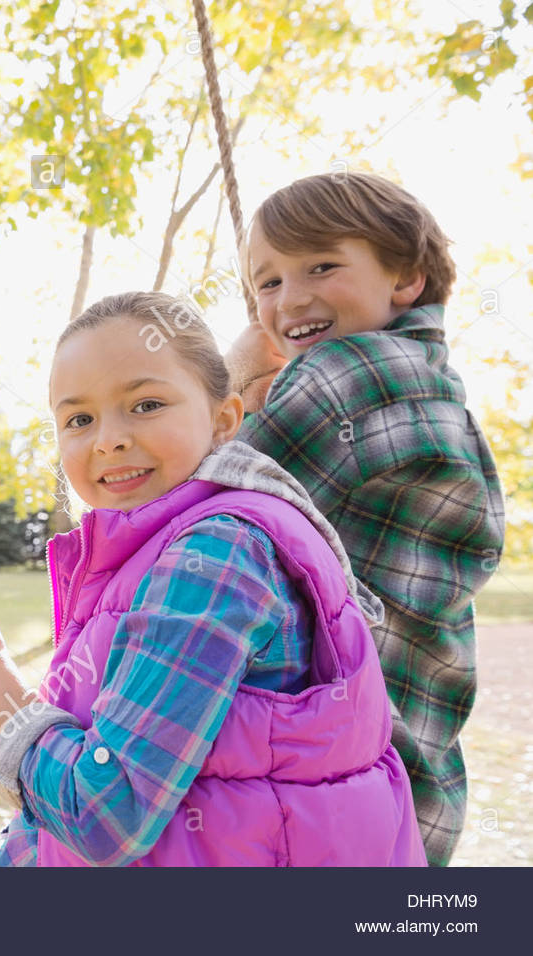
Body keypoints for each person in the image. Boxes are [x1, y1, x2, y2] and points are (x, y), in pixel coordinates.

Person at [0, 291, 426, 867]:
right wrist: (12, 717)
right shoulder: (162, 546)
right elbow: (140, 731)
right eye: (79, 418)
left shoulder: (216, 555)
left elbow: (106, 816)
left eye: (145, 405)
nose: (108, 437)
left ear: (223, 419)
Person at [224, 172, 505, 866]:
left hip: (329, 798)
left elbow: (184, 504)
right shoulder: (435, 382)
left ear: (406, 276)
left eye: (321, 265)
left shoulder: (349, 371)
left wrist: (231, 381)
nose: (290, 299)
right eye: (267, 283)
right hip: (406, 794)